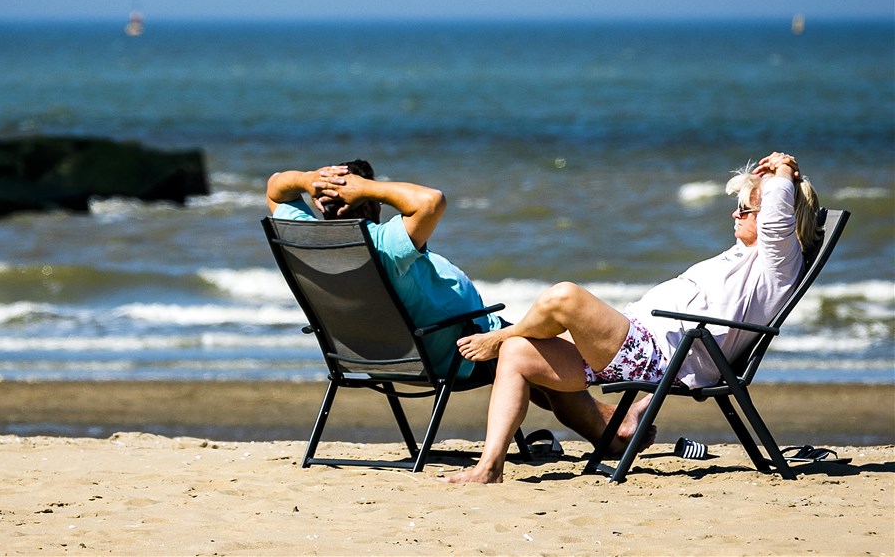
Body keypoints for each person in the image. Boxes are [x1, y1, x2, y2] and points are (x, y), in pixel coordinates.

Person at [447, 151, 820, 484]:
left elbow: (775, 223)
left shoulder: (778, 262)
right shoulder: (744, 255)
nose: (735, 214)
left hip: (660, 356)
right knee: (517, 352)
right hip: (642, 345)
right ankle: (489, 467)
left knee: (565, 297)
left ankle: (499, 335)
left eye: (746, 209)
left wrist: (783, 172)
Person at [265, 159, 503, 380]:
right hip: (451, 358)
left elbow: (275, 188)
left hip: (374, 361)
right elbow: (431, 201)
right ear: (367, 203)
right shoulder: (382, 245)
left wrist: (309, 180)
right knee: (523, 349)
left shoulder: (306, 240)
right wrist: (369, 188)